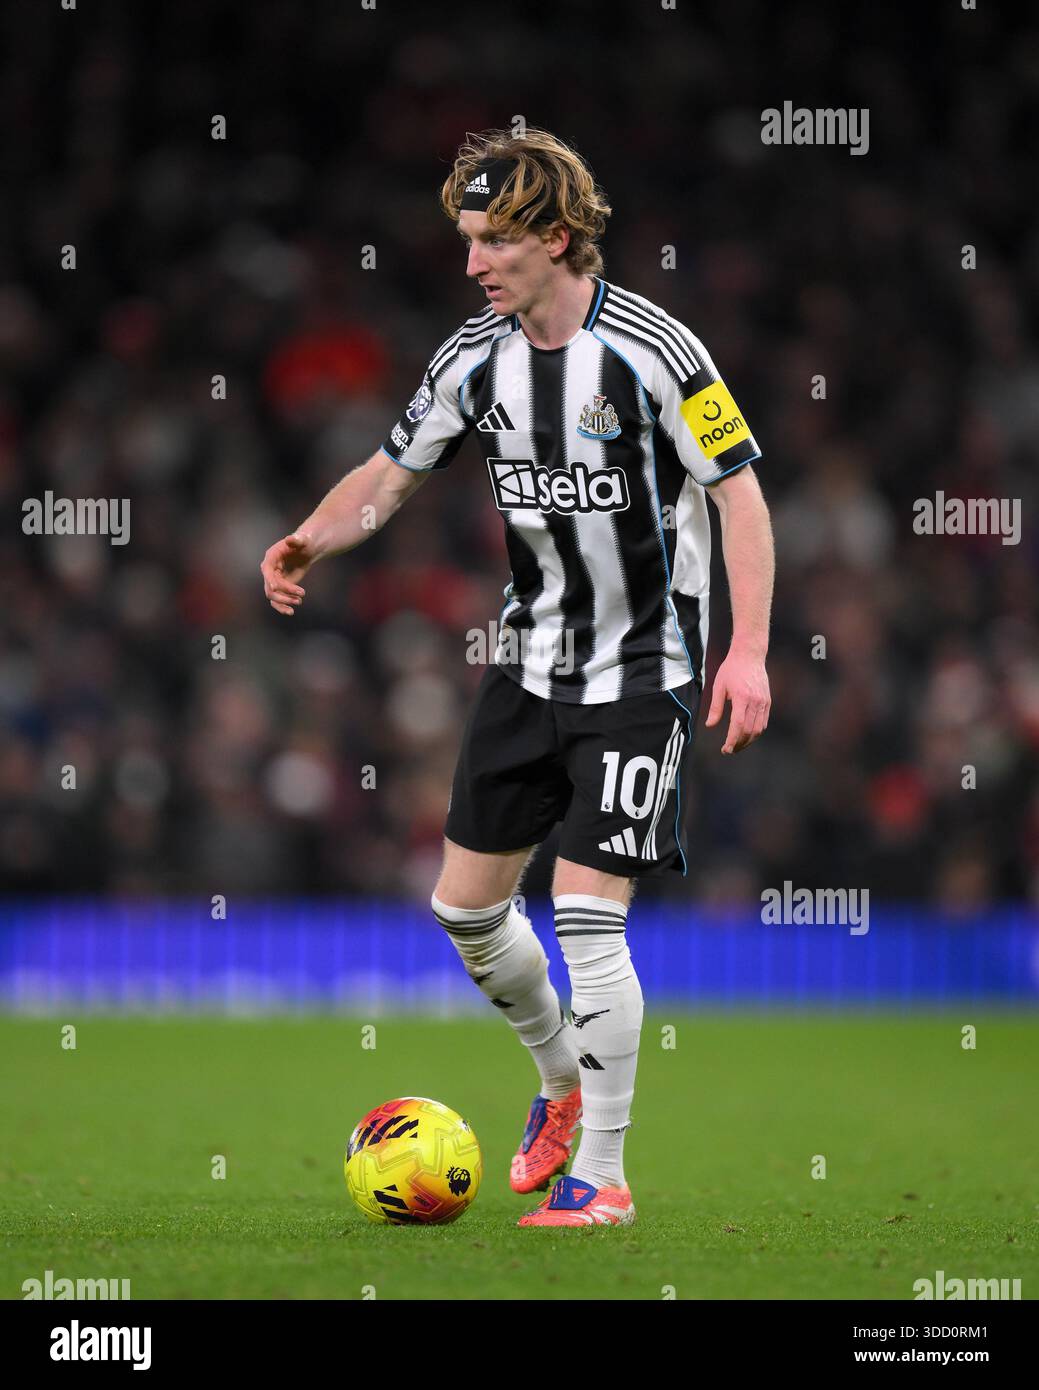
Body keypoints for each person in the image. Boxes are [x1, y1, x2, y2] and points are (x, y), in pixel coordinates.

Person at [261, 127, 774, 1228]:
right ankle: (555, 1080)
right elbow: (389, 477)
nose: (473, 264)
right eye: (465, 240)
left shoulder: (656, 350)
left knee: (586, 917)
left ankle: (603, 1174)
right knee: (465, 910)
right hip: (529, 664)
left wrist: (746, 649)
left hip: (645, 671)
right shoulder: (471, 357)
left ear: (555, 237)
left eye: (492, 241)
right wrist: (308, 537)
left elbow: (737, 492)